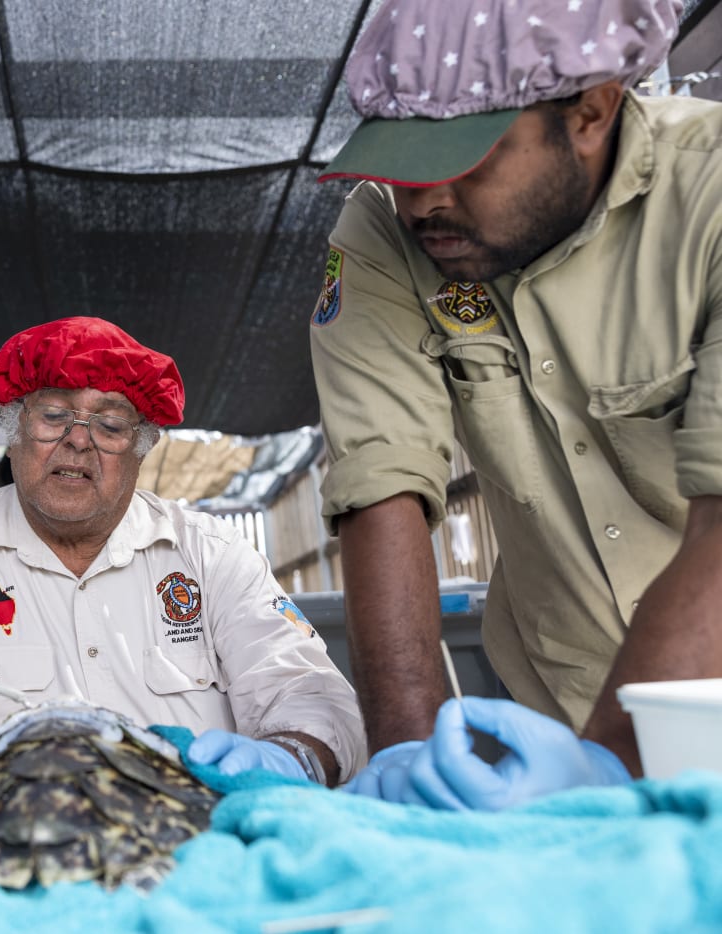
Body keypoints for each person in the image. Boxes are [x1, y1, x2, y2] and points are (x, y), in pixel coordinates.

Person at [308, 0, 722, 807]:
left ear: (591, 112)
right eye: (403, 166)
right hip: (558, 719)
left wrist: (609, 766)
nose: (425, 201)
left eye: (463, 161)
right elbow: (380, 488)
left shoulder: (708, 197)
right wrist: (412, 760)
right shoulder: (384, 240)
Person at [0, 317, 368, 786]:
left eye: (109, 424)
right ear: (14, 432)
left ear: (141, 449)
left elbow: (307, 691)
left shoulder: (213, 556)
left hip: (193, 843)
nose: (78, 440)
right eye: (53, 415)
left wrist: (291, 755)